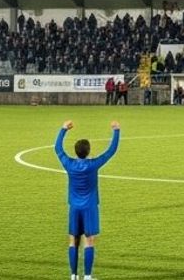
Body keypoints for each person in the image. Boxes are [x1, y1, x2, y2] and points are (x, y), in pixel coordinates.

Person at [55, 119, 121, 280]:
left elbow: (57, 149)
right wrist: (116, 131)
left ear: (76, 151)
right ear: (88, 151)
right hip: (90, 207)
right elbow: (110, 151)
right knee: (89, 241)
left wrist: (63, 129)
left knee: (73, 240)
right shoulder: (93, 164)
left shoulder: (69, 164)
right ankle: (88, 276)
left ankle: (73, 275)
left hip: (74, 207)